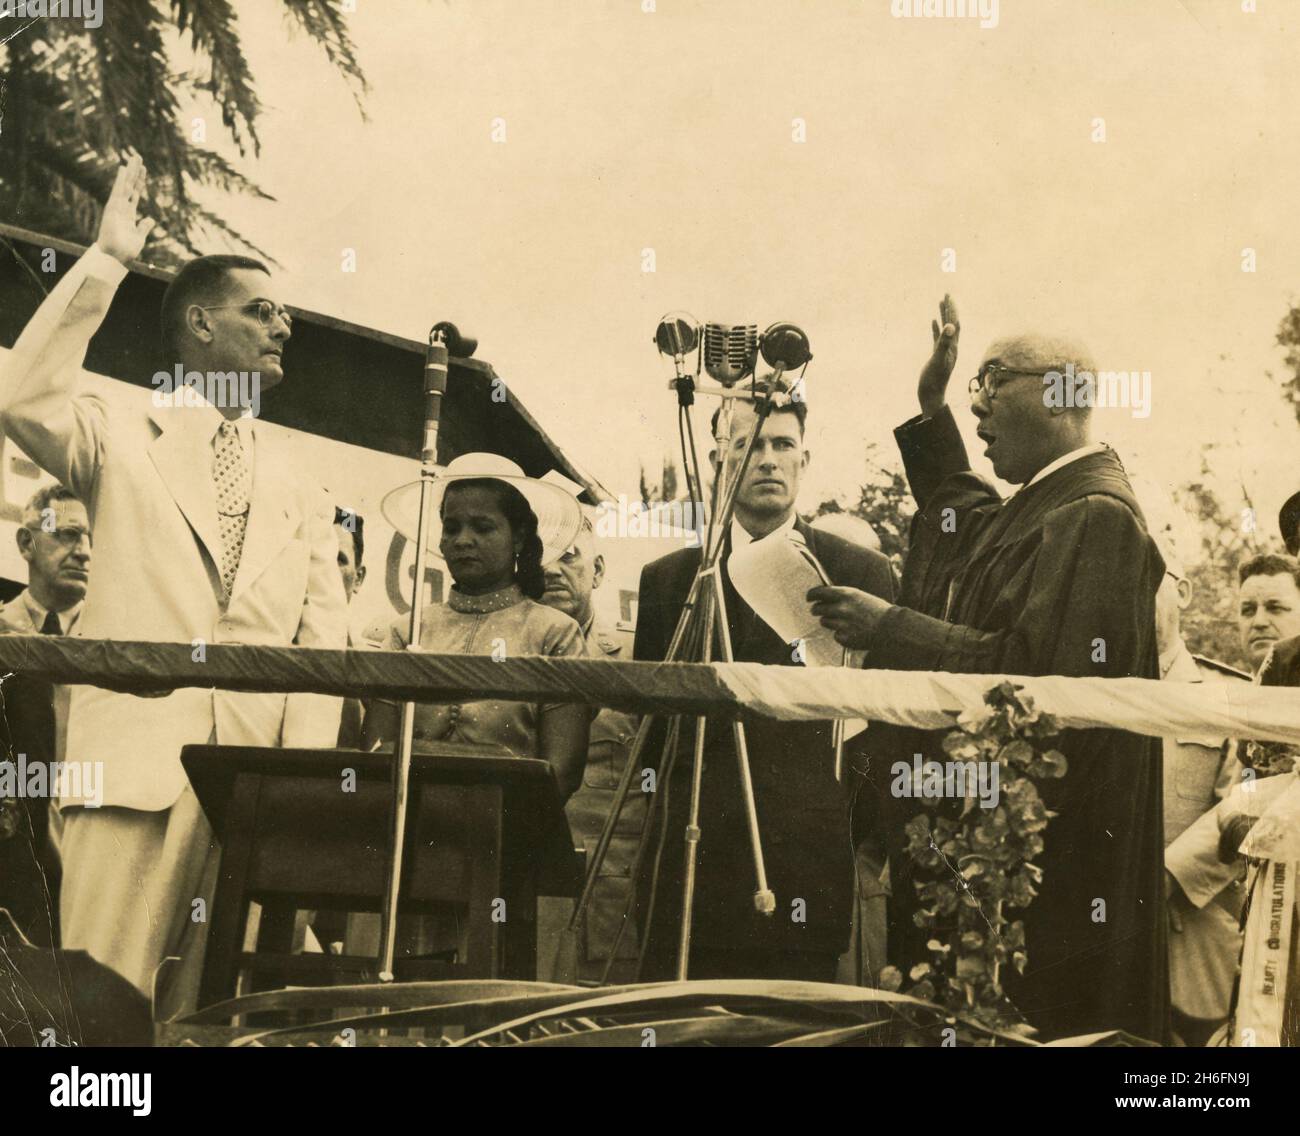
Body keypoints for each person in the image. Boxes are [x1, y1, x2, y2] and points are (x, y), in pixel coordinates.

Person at [0, 154, 347, 1015]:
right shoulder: (119, 431)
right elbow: (23, 395)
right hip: (135, 774)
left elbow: (324, 638)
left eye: (286, 315)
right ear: (197, 323)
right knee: (93, 1007)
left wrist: (297, 784)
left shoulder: (301, 477)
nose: (282, 328)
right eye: (261, 311)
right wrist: (108, 258)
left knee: (219, 1013)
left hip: (251, 785)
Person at [811, 297, 1167, 1040]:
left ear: (1065, 394)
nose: (977, 405)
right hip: (991, 837)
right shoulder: (1040, 505)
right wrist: (930, 402)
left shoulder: (1096, 514)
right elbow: (958, 506)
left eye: (992, 380)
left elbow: (1035, 683)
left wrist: (890, 626)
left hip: (1051, 857)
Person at [634, 394, 897, 982]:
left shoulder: (858, 572)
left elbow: (876, 733)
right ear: (718, 459)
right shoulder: (670, 579)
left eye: (783, 445)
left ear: (804, 459)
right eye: (750, 445)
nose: (768, 461)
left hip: (805, 856)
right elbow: (653, 735)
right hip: (690, 862)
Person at [362, 454, 590, 799]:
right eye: (451, 528)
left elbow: (563, 771)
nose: (463, 540)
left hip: (511, 834)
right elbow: (375, 753)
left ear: (518, 537)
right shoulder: (406, 632)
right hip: (410, 827)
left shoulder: (555, 634)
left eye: (483, 528)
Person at [536, 478, 642, 982]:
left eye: (570, 556)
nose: (552, 570)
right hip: (518, 897)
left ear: (598, 570)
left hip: (607, 901)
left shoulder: (636, 661)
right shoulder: (505, 654)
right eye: (540, 556)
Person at [1150, 533, 1251, 1046]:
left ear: (1183, 592)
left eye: (1149, 579)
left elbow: (1248, 808)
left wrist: (1167, 876)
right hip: (1098, 934)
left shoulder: (1228, 696)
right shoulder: (1083, 689)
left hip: (1192, 928)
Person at [0, 484, 91, 947]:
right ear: (25, 543)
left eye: (90, 538)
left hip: (94, 835)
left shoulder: (116, 642)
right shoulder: (1, 633)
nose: (84, 551)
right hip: (17, 847)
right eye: (68, 534)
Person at [334, 506, 368, 749]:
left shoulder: (370, 672)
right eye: (317, 555)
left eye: (339, 559)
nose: (324, 568)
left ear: (358, 578)